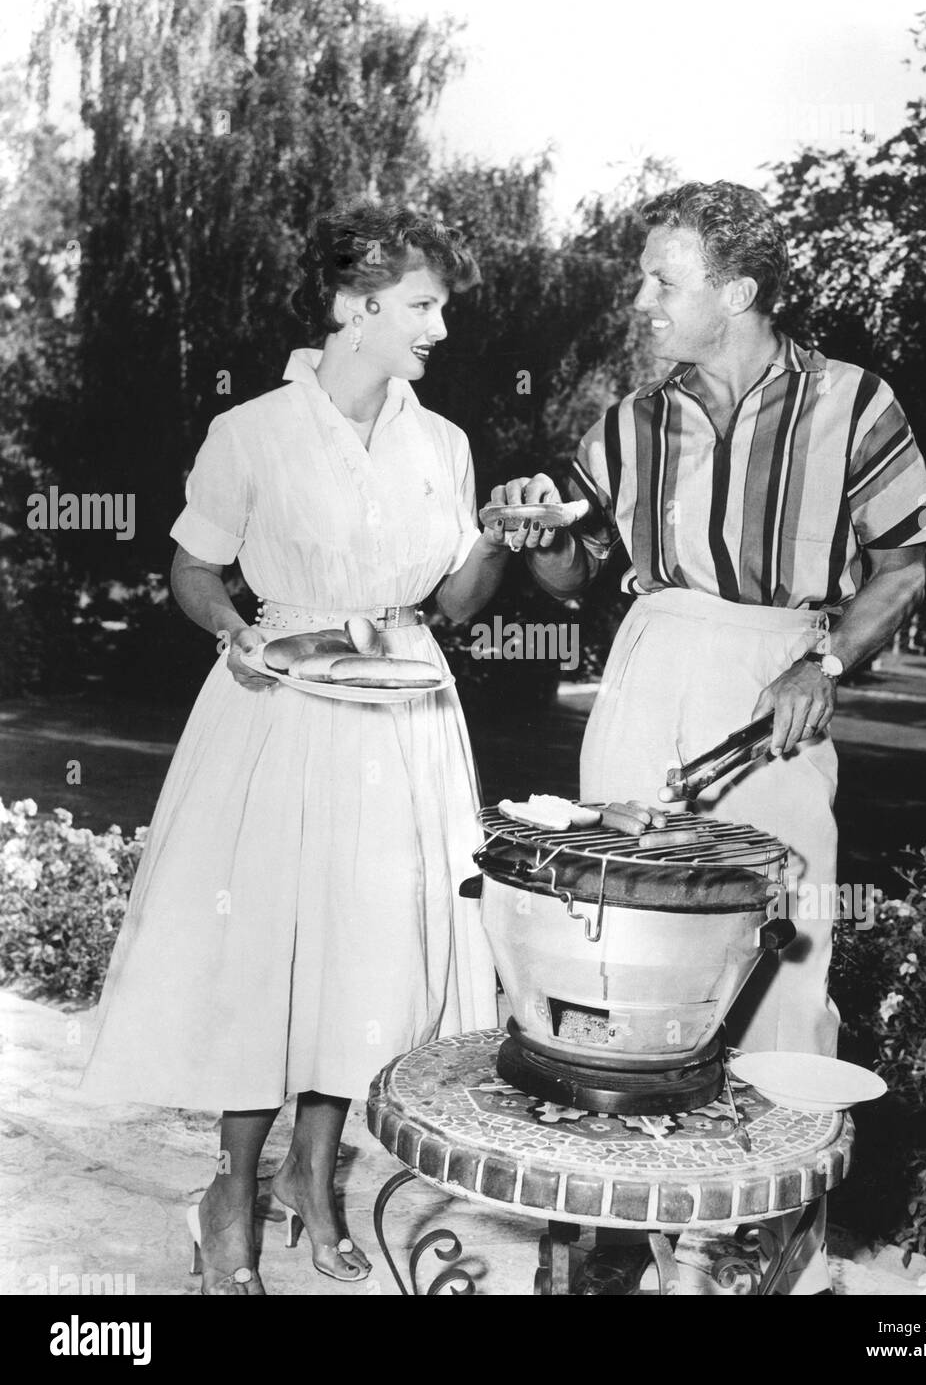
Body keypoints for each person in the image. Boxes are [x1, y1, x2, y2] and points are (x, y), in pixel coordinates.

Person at [81, 202, 546, 1295]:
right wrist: (234, 631)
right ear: (356, 306)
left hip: (409, 717)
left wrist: (497, 541)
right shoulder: (251, 432)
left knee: (363, 953)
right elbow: (194, 568)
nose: (439, 328)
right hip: (282, 705)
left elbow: (459, 602)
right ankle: (230, 1192)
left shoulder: (444, 442)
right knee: (271, 950)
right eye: (422, 306)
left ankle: (312, 1176)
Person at [509, 180, 926, 1294]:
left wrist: (827, 662)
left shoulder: (854, 403)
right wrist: (533, 536)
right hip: (649, 663)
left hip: (775, 678)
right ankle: (607, 1228)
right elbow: (572, 578)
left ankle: (755, 1239)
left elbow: (903, 565)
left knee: (780, 941)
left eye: (665, 277)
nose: (642, 297)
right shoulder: (628, 420)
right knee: (613, 941)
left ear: (737, 291)